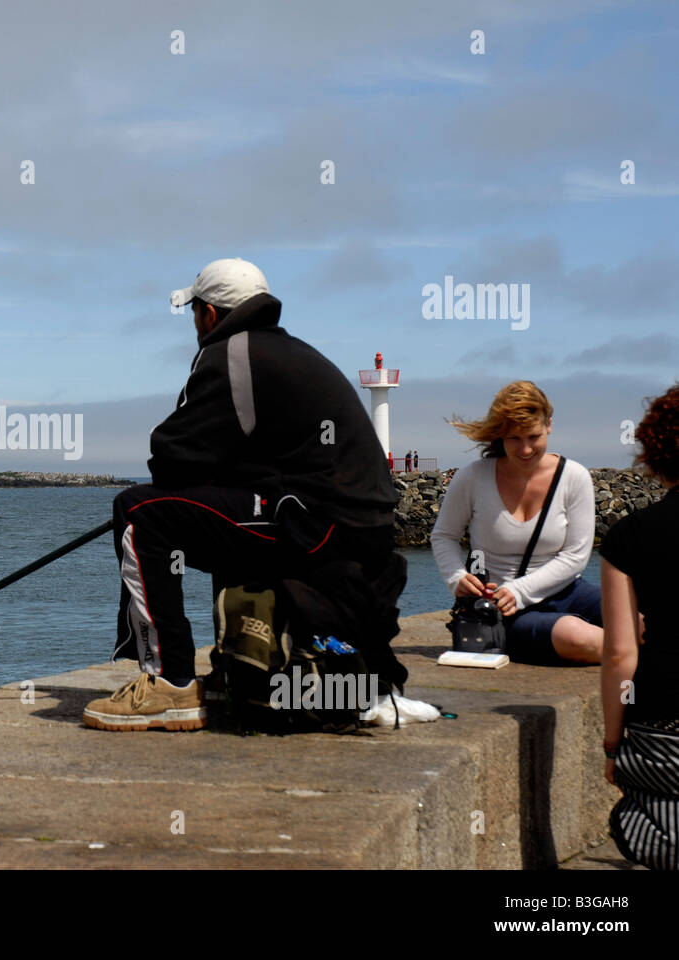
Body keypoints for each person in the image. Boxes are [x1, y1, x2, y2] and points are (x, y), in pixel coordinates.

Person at [83, 258, 404, 731]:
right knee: (230, 509)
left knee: (138, 510)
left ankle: (168, 683)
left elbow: (170, 453)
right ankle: (234, 668)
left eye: (195, 312)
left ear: (209, 314)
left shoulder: (227, 353)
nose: (194, 323)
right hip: (356, 527)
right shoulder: (291, 351)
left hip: (318, 526)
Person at [430, 381, 602, 664]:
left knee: (643, 623)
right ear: (500, 436)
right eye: (514, 439)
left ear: (549, 424)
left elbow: (576, 555)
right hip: (502, 607)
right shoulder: (473, 477)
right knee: (580, 638)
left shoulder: (574, 476)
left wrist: (520, 590)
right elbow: (444, 535)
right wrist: (457, 578)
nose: (524, 449)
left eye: (533, 437)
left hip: (567, 591)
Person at [601, 384, 679, 869]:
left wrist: (613, 747)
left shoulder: (629, 536)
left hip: (663, 734)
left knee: (634, 823)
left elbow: (620, 657)